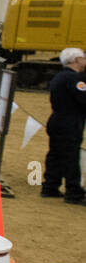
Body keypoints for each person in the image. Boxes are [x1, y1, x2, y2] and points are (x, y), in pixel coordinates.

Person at [42, 46, 86, 204]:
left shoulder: (60, 76)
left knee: (55, 154)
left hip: (57, 119)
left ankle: (50, 186)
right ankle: (74, 192)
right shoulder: (75, 79)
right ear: (76, 60)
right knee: (70, 157)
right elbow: (83, 100)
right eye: (83, 57)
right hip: (70, 122)